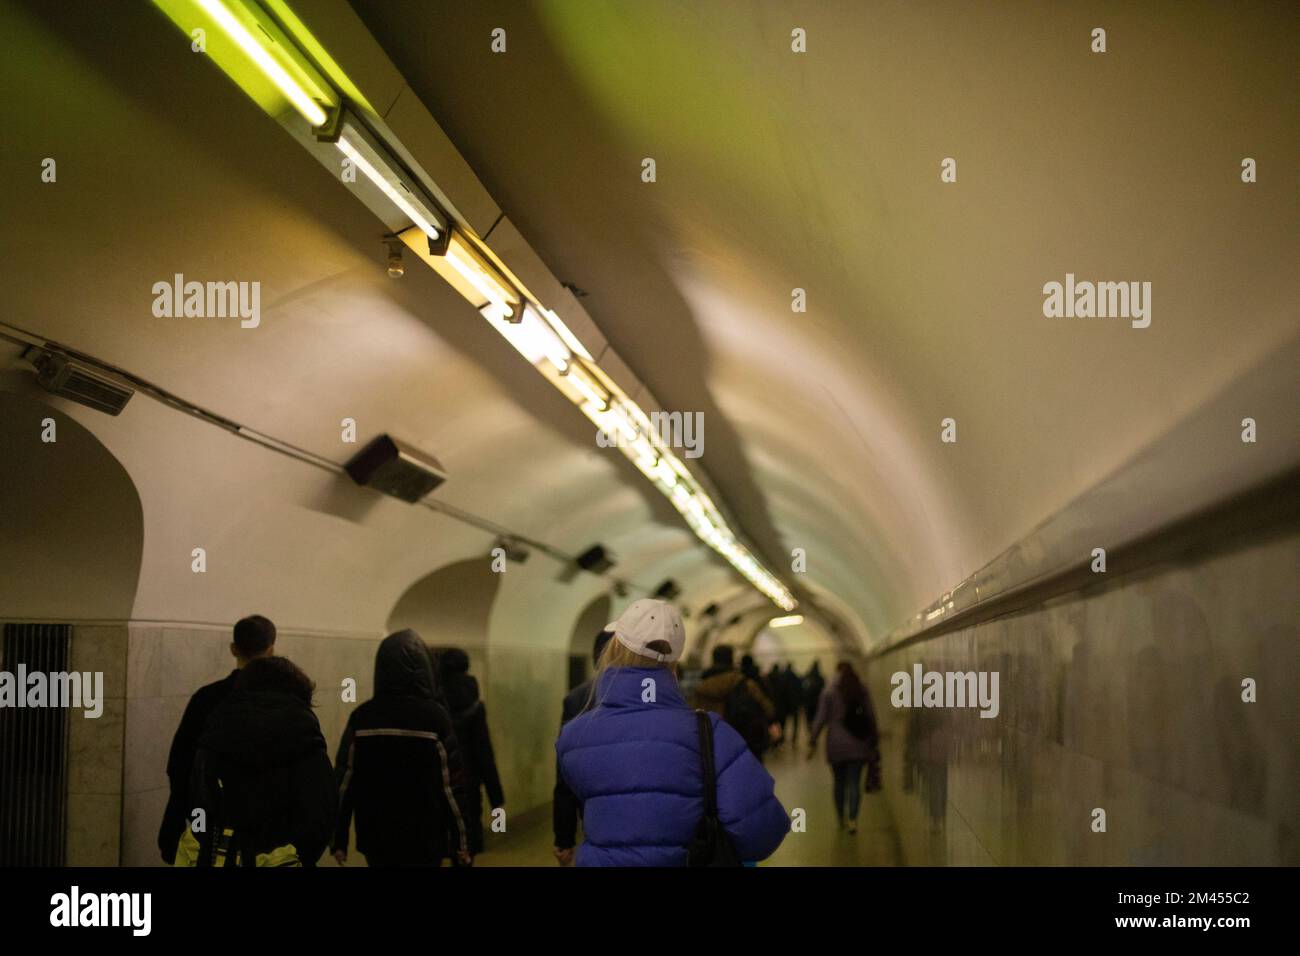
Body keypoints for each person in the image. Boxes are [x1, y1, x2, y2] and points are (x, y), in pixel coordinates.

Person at [556, 600, 790, 866]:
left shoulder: (575, 736)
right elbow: (763, 832)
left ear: (616, 646)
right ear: (675, 662)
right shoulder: (711, 735)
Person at [173, 655, 336, 866]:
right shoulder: (303, 737)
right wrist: (296, 856)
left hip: (219, 857)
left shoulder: (216, 729)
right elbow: (321, 815)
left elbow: (197, 801)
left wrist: (207, 844)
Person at [331, 629, 474, 867]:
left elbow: (344, 782)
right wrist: (462, 842)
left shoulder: (362, 718)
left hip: (376, 835)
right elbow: (452, 787)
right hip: (426, 836)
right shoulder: (435, 718)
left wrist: (339, 838)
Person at [157, 614, 276, 863]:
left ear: (233, 648)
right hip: (263, 828)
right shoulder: (283, 703)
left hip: (209, 826)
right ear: (272, 650)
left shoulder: (206, 698)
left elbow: (179, 763)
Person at [552, 629, 614, 865]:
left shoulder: (577, 698)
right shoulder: (651, 695)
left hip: (592, 811)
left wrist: (564, 837)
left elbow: (565, 774)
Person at [437, 647, 505, 856]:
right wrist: (496, 796)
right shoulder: (474, 705)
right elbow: (484, 751)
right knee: (467, 844)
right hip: (468, 783)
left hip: (440, 782)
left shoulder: (434, 700)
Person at [807, 661, 880, 834]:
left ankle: (841, 819)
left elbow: (820, 718)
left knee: (839, 783)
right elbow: (871, 715)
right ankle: (853, 820)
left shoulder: (829, 691)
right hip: (858, 744)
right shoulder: (861, 689)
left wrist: (813, 740)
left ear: (837, 671)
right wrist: (874, 739)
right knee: (854, 783)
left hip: (836, 745)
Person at [693, 644, 779, 759]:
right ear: (731, 660)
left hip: (712, 747)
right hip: (743, 745)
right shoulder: (745, 684)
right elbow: (768, 708)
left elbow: (694, 716)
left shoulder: (701, 688)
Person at [782, 663, 804, 743]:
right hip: (794, 704)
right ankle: (794, 738)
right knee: (795, 722)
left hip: (784, 704)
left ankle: (782, 737)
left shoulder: (782, 677)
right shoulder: (796, 677)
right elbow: (800, 691)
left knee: (784, 722)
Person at [802, 660, 826, 729]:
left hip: (808, 702)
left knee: (809, 718)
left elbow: (804, 688)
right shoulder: (821, 678)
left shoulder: (808, 676)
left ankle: (810, 728)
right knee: (815, 718)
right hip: (817, 702)